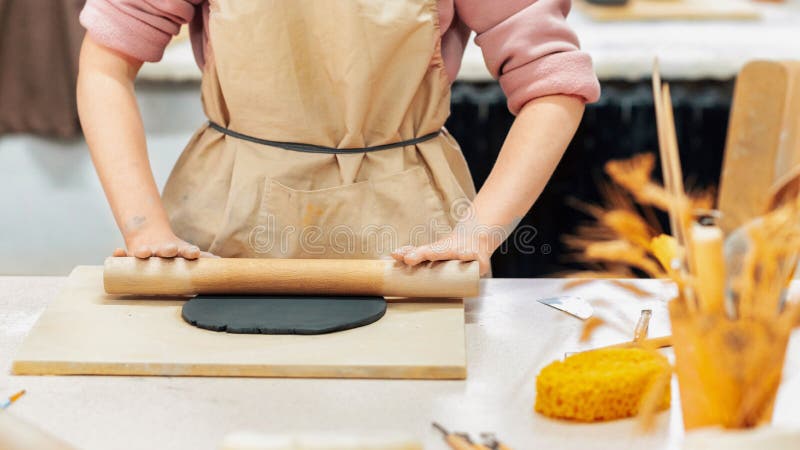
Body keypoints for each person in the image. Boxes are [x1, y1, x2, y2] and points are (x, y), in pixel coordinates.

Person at [77, 0, 600, 276]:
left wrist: (477, 236)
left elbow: (553, 84)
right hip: (224, 225)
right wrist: (144, 229)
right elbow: (104, 70)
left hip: (410, 236)